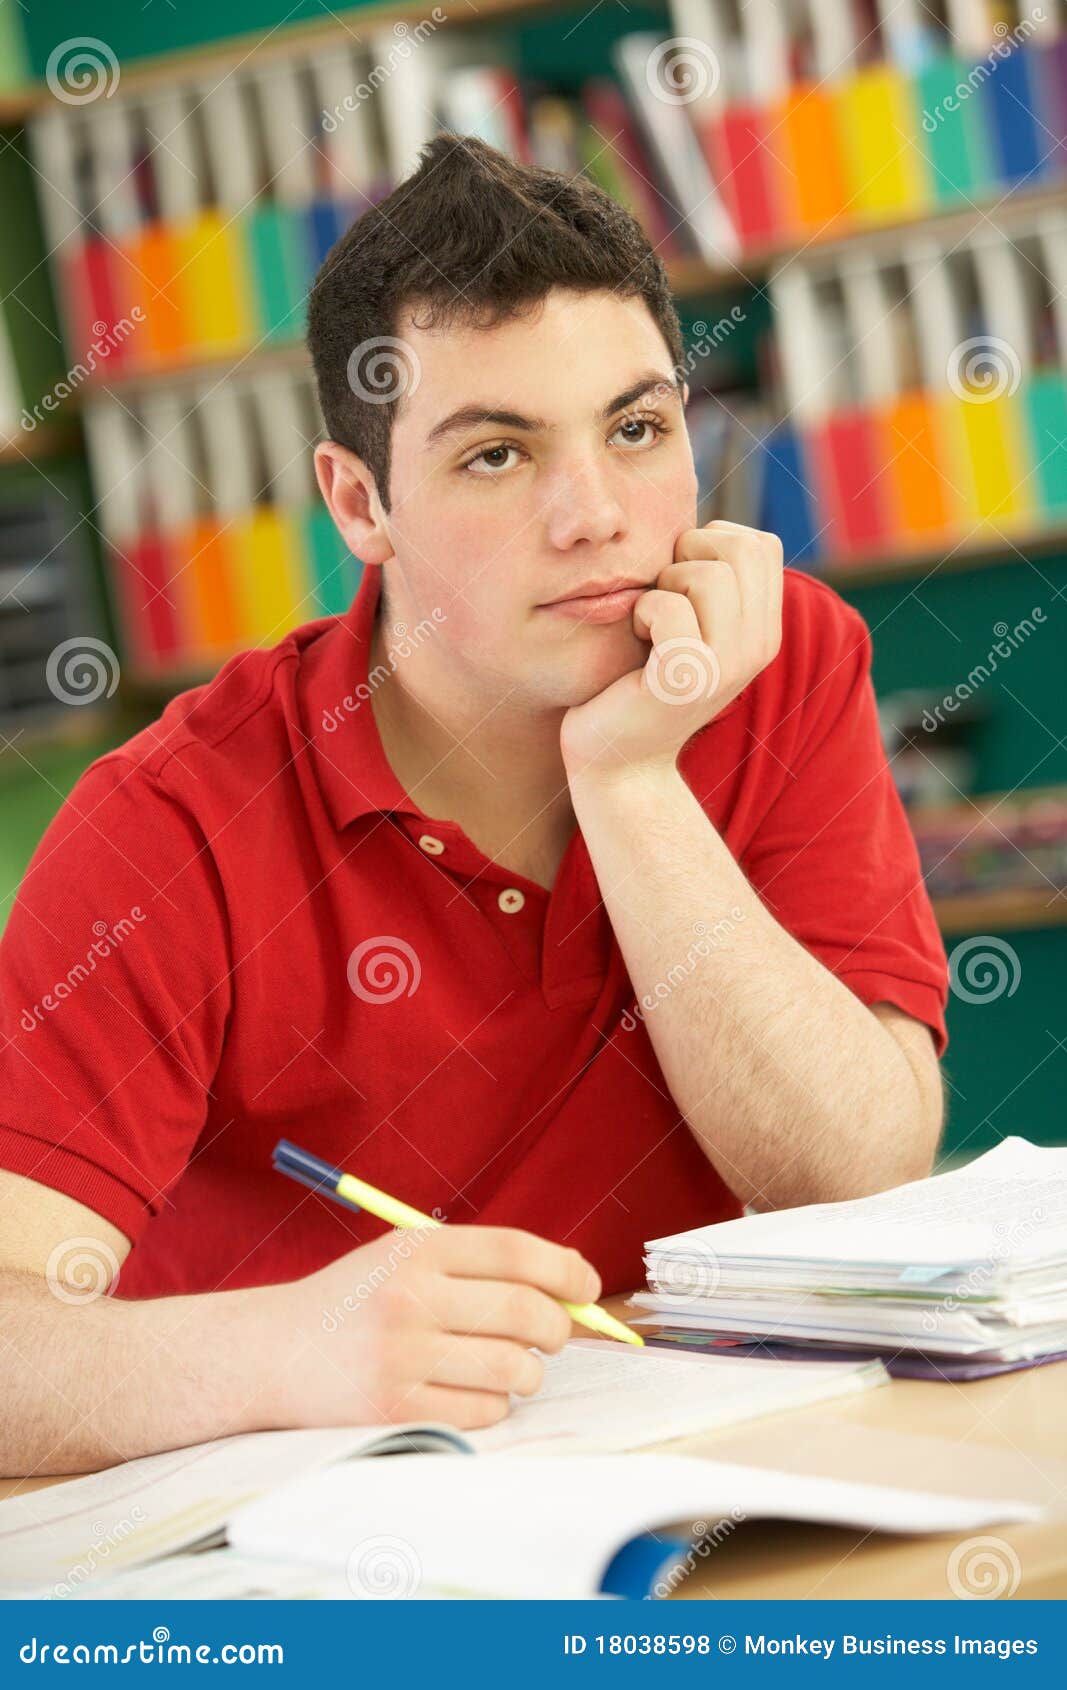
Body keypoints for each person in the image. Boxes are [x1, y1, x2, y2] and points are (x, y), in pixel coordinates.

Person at [0, 135, 947, 1475]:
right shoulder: (170, 824)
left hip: (690, 1472)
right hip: (320, 1521)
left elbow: (858, 1177)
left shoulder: (776, 660)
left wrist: (630, 777)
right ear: (360, 503)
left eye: (637, 429)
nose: (596, 516)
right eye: (498, 455)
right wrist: (282, 1351)